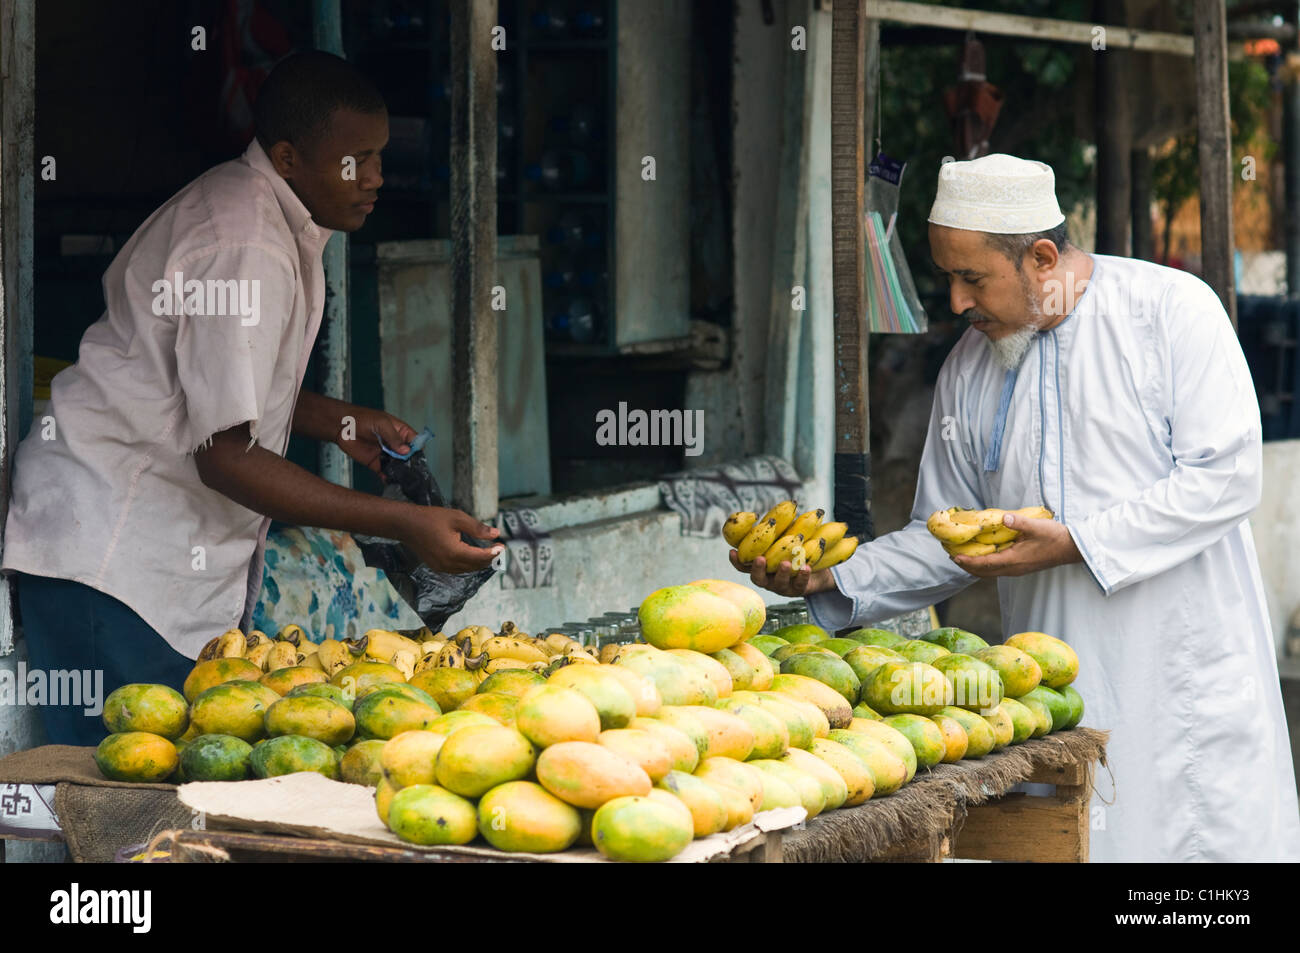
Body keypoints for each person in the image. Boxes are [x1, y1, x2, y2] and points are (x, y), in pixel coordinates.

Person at [732, 153, 1300, 862]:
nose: (958, 303)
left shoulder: (1171, 311)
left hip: (1188, 686)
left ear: (1039, 257)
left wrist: (1075, 541)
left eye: (973, 278)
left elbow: (1227, 476)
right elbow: (939, 536)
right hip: (1057, 702)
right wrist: (834, 578)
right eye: (948, 278)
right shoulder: (969, 368)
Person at [2, 52, 500, 745]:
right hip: (115, 567)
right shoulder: (245, 245)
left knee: (167, 815)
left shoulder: (270, 220)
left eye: (381, 157)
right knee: (118, 815)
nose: (377, 178)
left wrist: (342, 423)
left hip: (161, 573)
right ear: (290, 157)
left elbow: (222, 386)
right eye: (356, 160)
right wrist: (402, 523)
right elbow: (226, 457)